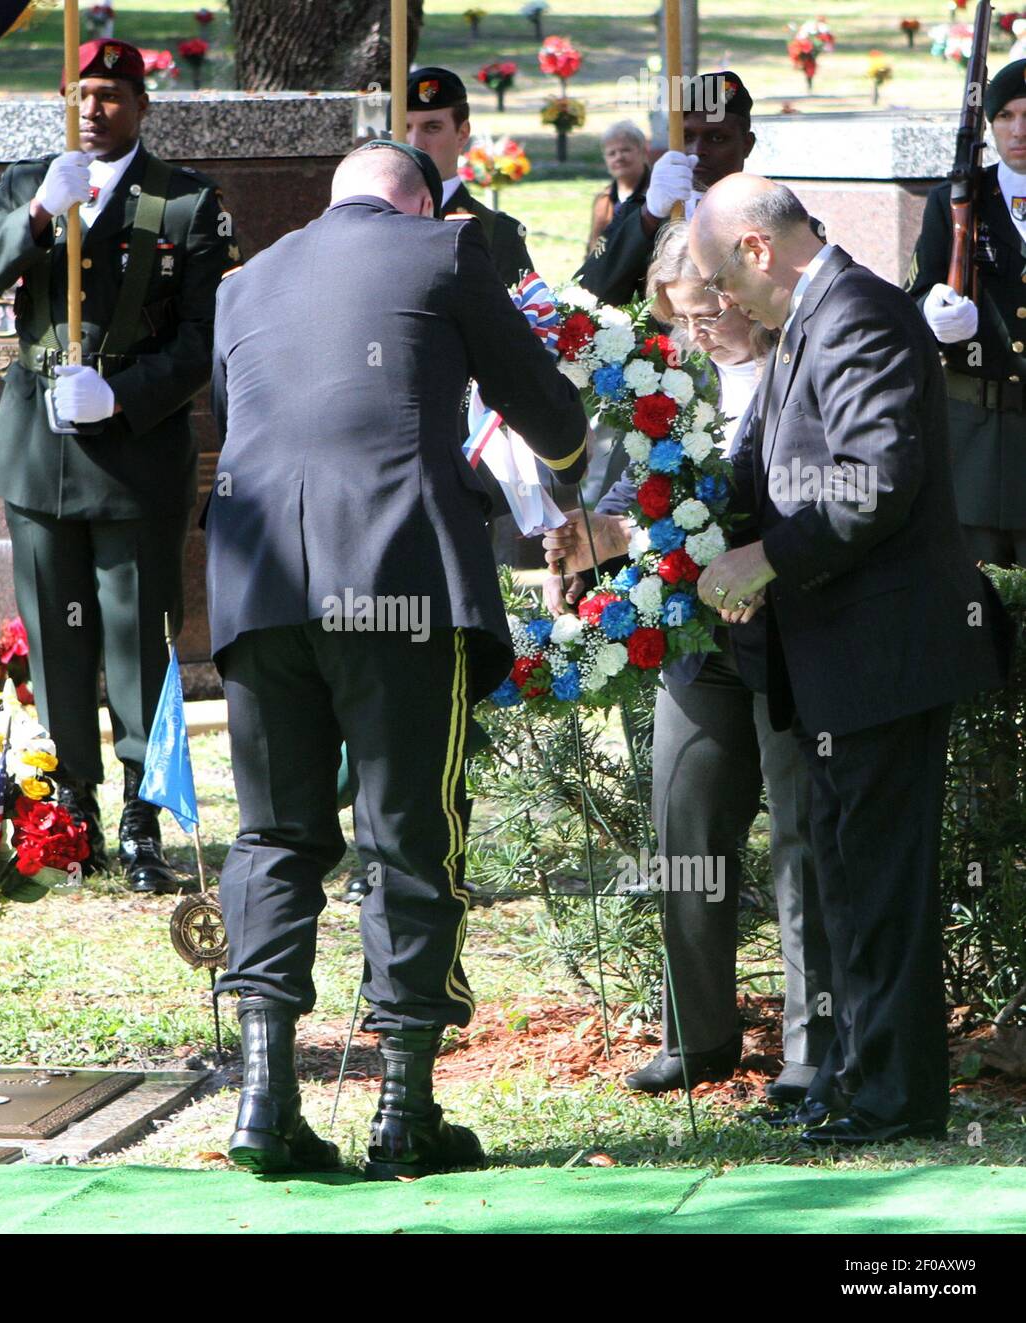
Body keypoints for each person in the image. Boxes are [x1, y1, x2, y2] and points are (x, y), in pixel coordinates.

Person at [205, 141, 588, 1177]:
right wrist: (578, 458)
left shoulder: (241, 286)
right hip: (395, 581)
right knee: (409, 830)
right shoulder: (447, 251)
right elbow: (545, 411)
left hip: (259, 588)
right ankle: (404, 1109)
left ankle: (261, 1100)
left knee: (276, 835)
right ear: (421, 202)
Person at [689, 174, 1011, 1145]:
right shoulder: (815, 319)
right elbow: (760, 475)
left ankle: (893, 1098)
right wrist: (665, 528)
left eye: (716, 276)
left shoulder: (856, 314)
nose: (717, 302)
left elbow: (872, 480)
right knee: (846, 880)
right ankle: (857, 1078)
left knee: (876, 887)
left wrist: (764, 557)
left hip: (883, 652)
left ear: (755, 246)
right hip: (841, 656)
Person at [544, 222, 832, 1106]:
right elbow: (632, 494)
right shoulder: (673, 379)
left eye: (707, 312)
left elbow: (828, 493)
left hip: (792, 628)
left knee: (799, 839)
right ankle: (697, 1034)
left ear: (738, 281)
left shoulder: (808, 357)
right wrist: (604, 529)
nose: (699, 332)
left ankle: (812, 1048)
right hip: (694, 637)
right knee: (685, 834)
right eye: (679, 320)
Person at [0, 38, 238, 892]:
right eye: (82, 93)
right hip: (39, 453)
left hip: (133, 454)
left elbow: (204, 339)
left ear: (143, 106)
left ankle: (144, 817)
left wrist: (123, 395)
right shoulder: (29, 182)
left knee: (138, 634)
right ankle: (73, 804)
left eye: (113, 95)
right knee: (57, 635)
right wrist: (37, 213)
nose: (95, 109)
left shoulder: (183, 201)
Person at [906, 58, 1026, 568]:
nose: (1020, 130)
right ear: (990, 125)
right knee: (977, 610)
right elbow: (909, 300)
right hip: (974, 440)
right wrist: (931, 315)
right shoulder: (955, 201)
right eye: (1006, 117)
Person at [574, 71, 758, 308]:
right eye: (686, 137)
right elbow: (588, 295)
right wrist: (649, 217)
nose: (697, 150)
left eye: (717, 138)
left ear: (747, 145)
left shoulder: (773, 215)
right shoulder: (644, 215)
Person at [405, 65, 533, 287]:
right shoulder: (375, 221)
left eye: (432, 128)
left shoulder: (496, 235)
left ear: (462, 134)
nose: (415, 143)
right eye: (405, 128)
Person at [587, 120, 651, 254]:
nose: (619, 157)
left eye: (625, 150)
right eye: (611, 153)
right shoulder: (603, 199)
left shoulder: (656, 195)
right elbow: (592, 249)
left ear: (644, 152)